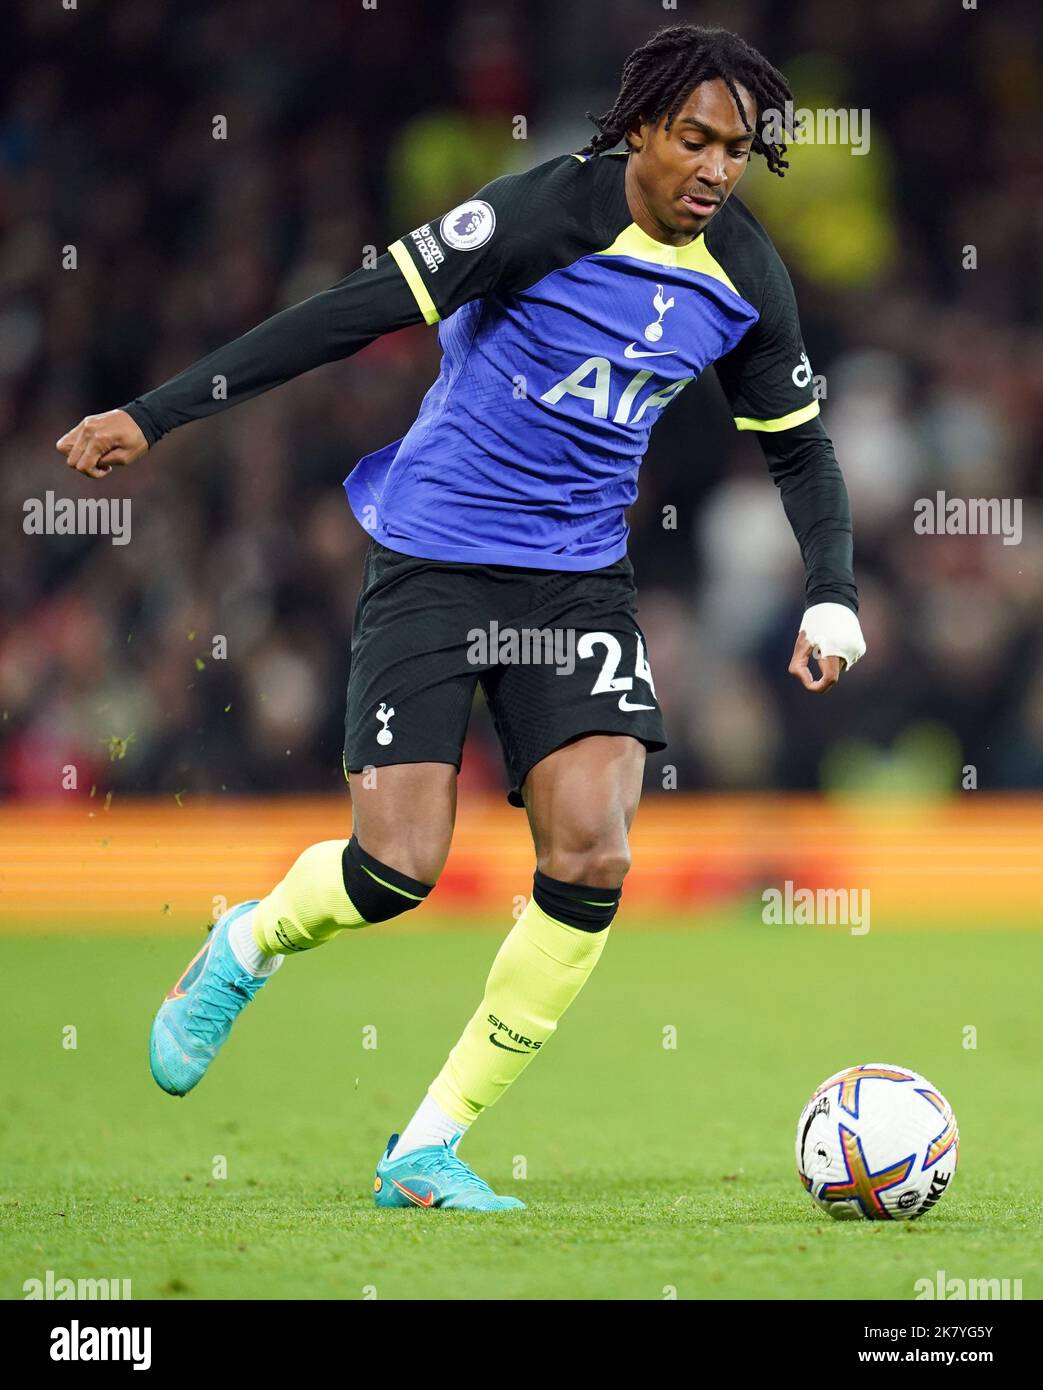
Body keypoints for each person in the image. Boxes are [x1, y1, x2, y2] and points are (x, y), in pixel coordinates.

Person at [56, 24, 866, 1212]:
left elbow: (799, 454)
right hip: (435, 560)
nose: (714, 167)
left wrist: (833, 592)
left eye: (737, 150)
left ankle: (424, 1146)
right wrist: (157, 413)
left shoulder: (744, 273)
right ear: (637, 126)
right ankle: (245, 942)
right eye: (693, 138)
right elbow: (344, 311)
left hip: (576, 580)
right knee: (397, 868)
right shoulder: (536, 216)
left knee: (592, 852)